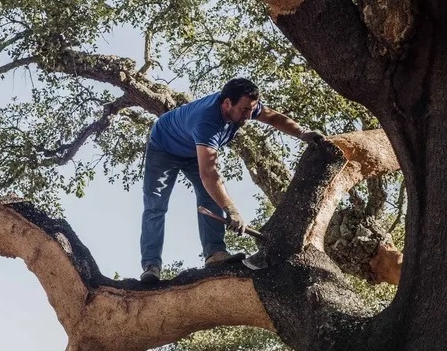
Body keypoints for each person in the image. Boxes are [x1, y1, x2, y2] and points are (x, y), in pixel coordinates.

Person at [139, 77, 325, 282]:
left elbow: (273, 118)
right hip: (164, 147)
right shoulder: (206, 121)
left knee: (209, 197)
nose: (249, 115)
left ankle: (215, 254)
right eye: (244, 110)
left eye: (251, 110)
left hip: (194, 151)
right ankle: (151, 265)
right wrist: (232, 210)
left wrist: (302, 133)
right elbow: (209, 174)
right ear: (227, 103)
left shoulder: (246, 107)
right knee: (156, 204)